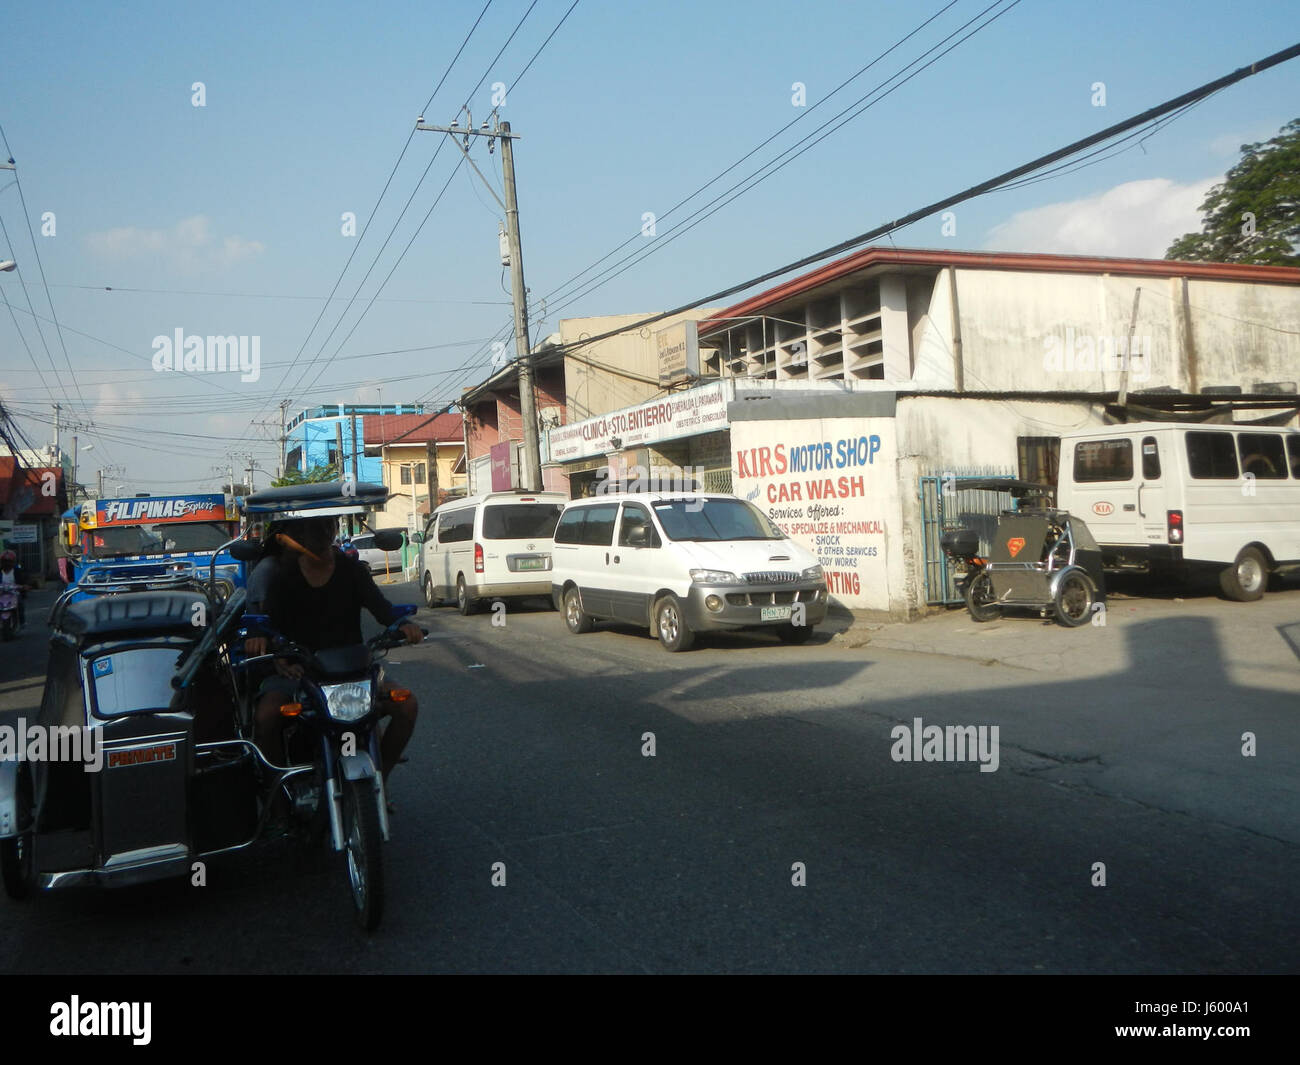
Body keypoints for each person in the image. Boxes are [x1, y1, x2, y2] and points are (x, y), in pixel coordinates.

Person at [252, 515, 422, 789]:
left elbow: (382, 609)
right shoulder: (284, 576)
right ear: (301, 533)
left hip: (353, 669)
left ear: (334, 529)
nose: (320, 533)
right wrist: (274, 650)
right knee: (267, 715)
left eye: (326, 526)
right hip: (301, 670)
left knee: (407, 704)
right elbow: (269, 625)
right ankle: (278, 805)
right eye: (312, 527)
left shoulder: (352, 570)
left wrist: (403, 625)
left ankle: (382, 779)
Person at [0, 550, 30, 625]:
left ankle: (22, 621)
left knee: (20, 604)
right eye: (5, 561)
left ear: (13, 562)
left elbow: (24, 580)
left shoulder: (17, 571)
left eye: (9, 561)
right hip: (1, 594)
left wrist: (25, 586)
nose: (7, 563)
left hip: (14, 594)